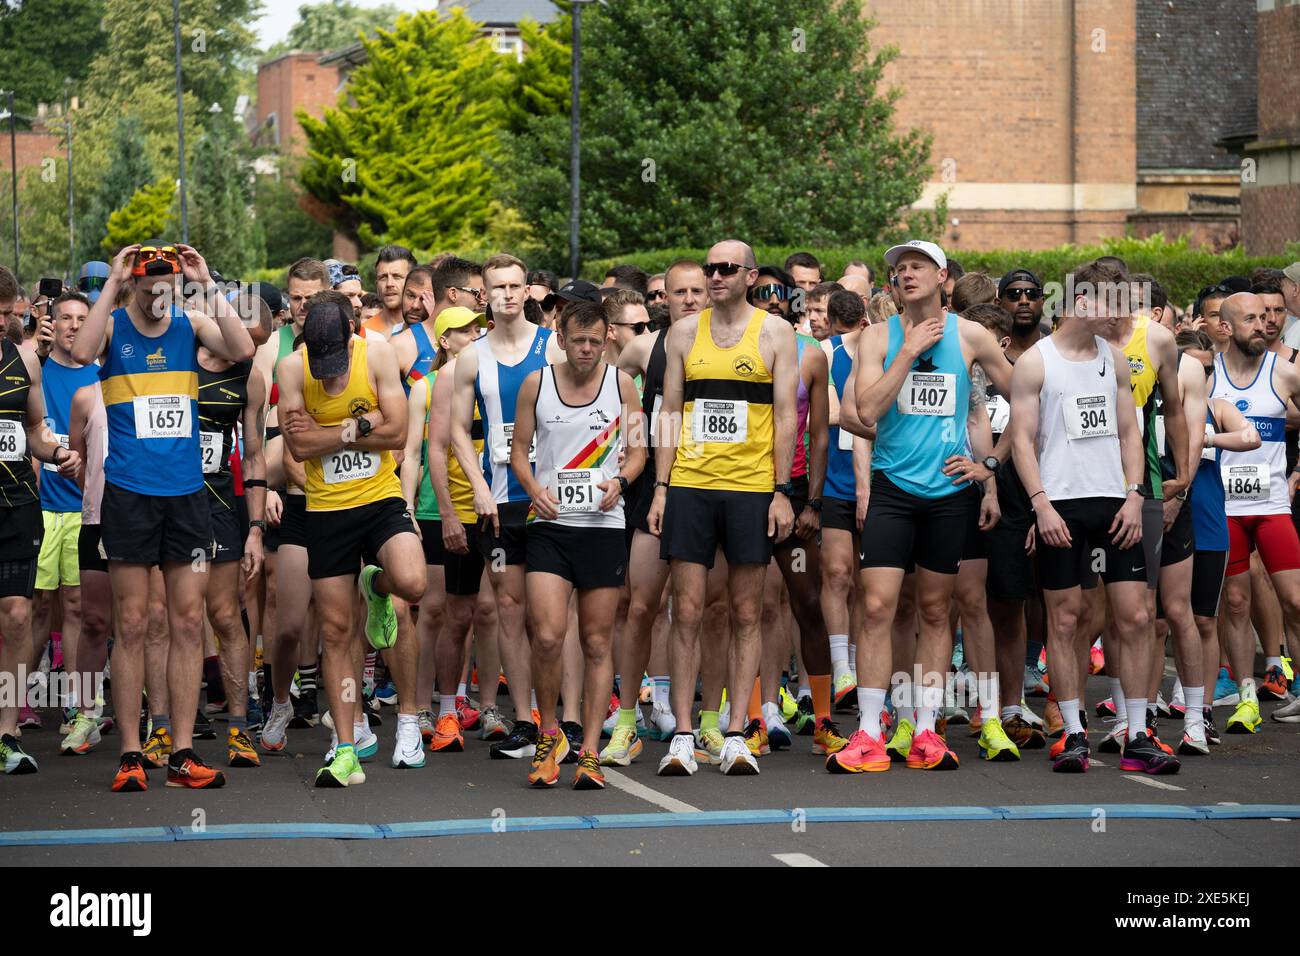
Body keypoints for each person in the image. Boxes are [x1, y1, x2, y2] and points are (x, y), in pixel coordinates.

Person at [71, 240, 253, 791]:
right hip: (128, 494)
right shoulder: (113, 328)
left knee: (187, 622)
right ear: (134, 286)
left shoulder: (191, 324)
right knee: (131, 625)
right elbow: (79, 353)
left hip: (186, 495)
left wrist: (205, 281)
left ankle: (180, 752)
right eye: (149, 288)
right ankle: (130, 753)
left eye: (166, 288)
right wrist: (112, 283)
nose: (158, 297)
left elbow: (243, 347)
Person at [832, 240, 1012, 774]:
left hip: (949, 494)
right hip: (892, 488)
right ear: (891, 285)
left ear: (942, 277)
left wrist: (993, 465)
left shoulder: (972, 335)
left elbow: (1027, 396)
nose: (906, 275)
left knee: (937, 611)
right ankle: (867, 731)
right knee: (876, 607)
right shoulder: (875, 339)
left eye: (917, 267)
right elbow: (865, 409)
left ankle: (928, 732)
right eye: (898, 269)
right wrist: (907, 351)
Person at [1008, 259, 1176, 775]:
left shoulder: (1116, 359)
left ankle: (1138, 731)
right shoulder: (1036, 362)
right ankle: (1075, 734)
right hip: (1060, 504)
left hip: (1115, 501)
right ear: (1082, 303)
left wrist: (1133, 494)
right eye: (1115, 309)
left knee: (1137, 616)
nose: (1123, 321)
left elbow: (1130, 433)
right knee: (1065, 618)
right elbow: (1021, 440)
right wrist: (1040, 504)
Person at [648, 238, 799, 777]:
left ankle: (736, 732)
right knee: (686, 611)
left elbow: (786, 415)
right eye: (710, 267)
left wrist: (782, 490)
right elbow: (668, 411)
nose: (715, 276)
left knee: (745, 612)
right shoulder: (683, 333)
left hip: (751, 489)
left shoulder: (777, 333)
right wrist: (662, 486)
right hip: (690, 484)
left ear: (751, 275)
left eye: (726, 268)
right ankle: (685, 735)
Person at [277, 293, 427, 786]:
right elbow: (296, 449)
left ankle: (408, 718)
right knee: (337, 631)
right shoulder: (292, 370)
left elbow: (399, 434)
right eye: (323, 364)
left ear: (352, 332)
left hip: (380, 498)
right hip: (326, 510)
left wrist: (337, 430)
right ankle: (345, 748)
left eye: (336, 361)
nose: (330, 373)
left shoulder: (379, 353)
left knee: (411, 585)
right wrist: (365, 425)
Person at [510, 299, 646, 787]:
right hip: (550, 524)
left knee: (594, 640)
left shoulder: (622, 385)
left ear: (607, 337)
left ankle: (589, 749)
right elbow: (519, 452)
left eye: (595, 340)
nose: (586, 349)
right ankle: (549, 733)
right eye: (578, 341)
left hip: (602, 527)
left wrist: (622, 483)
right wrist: (533, 489)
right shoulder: (537, 384)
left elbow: (638, 452)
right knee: (546, 634)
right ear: (560, 339)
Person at [450, 253, 565, 759]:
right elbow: (455, 428)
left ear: (528, 293)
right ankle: (523, 719)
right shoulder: (472, 357)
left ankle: (561, 717)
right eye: (498, 287)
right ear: (484, 297)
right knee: (509, 610)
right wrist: (476, 484)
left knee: (553, 619)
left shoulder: (554, 348)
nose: (509, 295)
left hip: (553, 501)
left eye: (517, 286)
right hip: (499, 502)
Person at [604, 259, 709, 765]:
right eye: (678, 292)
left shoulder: (730, 346)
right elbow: (606, 399)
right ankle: (626, 721)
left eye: (697, 290)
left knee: (713, 610)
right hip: (656, 489)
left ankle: (707, 722)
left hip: (716, 485)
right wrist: (626, 446)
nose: (689, 299)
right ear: (661, 299)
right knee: (643, 604)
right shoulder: (646, 347)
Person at [0, 270, 83, 775]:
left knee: (16, 616)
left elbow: (31, 426)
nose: (5, 320)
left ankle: (7, 732)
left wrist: (56, 451)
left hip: (16, 503)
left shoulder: (21, 358)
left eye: (7, 312)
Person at [1210, 293, 1300, 734]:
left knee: (1296, 600)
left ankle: (1298, 691)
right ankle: (1247, 696)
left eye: (1266, 318)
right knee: (1236, 603)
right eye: (1250, 319)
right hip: (1224, 507)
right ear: (1226, 328)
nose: (1263, 325)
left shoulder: (1282, 372)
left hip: (1272, 507)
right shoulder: (1208, 375)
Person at [402, 305, 487, 750]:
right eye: (464, 330)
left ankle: (469, 702)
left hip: (488, 510)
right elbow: (413, 453)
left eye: (478, 327)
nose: (475, 334)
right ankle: (418, 707)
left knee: (479, 612)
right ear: (444, 339)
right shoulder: (426, 386)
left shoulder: (491, 379)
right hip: (438, 510)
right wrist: (409, 509)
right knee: (432, 611)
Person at [196, 306, 268, 768]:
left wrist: (256, 529)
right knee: (167, 618)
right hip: (167, 499)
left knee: (225, 615)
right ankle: (162, 724)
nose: (248, 347)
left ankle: (239, 728)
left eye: (256, 340)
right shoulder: (177, 355)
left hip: (222, 503)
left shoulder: (250, 377)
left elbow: (257, 456)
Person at [373, 245, 417, 334]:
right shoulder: (364, 333)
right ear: (377, 284)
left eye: (397, 277)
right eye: (383, 277)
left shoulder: (430, 329)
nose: (389, 284)